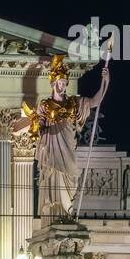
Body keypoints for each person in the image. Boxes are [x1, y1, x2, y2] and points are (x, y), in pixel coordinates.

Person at [24, 55, 110, 219]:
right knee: (53, 177)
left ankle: (67, 211)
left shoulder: (74, 103)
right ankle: (54, 211)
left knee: (70, 177)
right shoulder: (45, 106)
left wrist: (105, 82)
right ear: (53, 84)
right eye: (59, 83)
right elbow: (37, 129)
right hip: (52, 150)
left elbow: (94, 101)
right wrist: (37, 129)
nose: (62, 86)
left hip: (68, 146)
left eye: (64, 83)